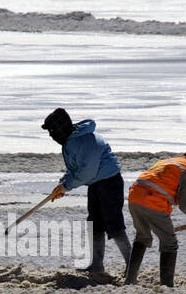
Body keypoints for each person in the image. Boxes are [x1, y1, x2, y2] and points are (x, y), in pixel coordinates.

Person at [43, 108, 131, 277]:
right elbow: (75, 170)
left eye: (52, 131)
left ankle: (131, 263)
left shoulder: (83, 141)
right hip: (96, 184)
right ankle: (96, 265)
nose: (51, 135)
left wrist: (67, 186)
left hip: (109, 182)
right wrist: (62, 184)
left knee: (114, 224)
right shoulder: (71, 140)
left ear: (61, 129)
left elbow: (86, 172)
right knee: (95, 223)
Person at [124, 141, 186, 287]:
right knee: (169, 243)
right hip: (153, 201)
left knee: (142, 237)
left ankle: (130, 280)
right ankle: (166, 285)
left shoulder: (171, 161)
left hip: (134, 196)